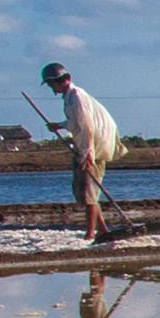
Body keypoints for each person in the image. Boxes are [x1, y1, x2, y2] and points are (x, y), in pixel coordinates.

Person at [41, 62, 120, 241]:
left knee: (88, 190)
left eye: (52, 84)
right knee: (84, 192)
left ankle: (90, 233)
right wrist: (60, 126)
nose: (52, 88)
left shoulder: (77, 96)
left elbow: (87, 127)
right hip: (85, 146)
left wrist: (87, 153)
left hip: (94, 148)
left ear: (63, 80)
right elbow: (76, 123)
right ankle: (102, 230)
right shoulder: (69, 98)